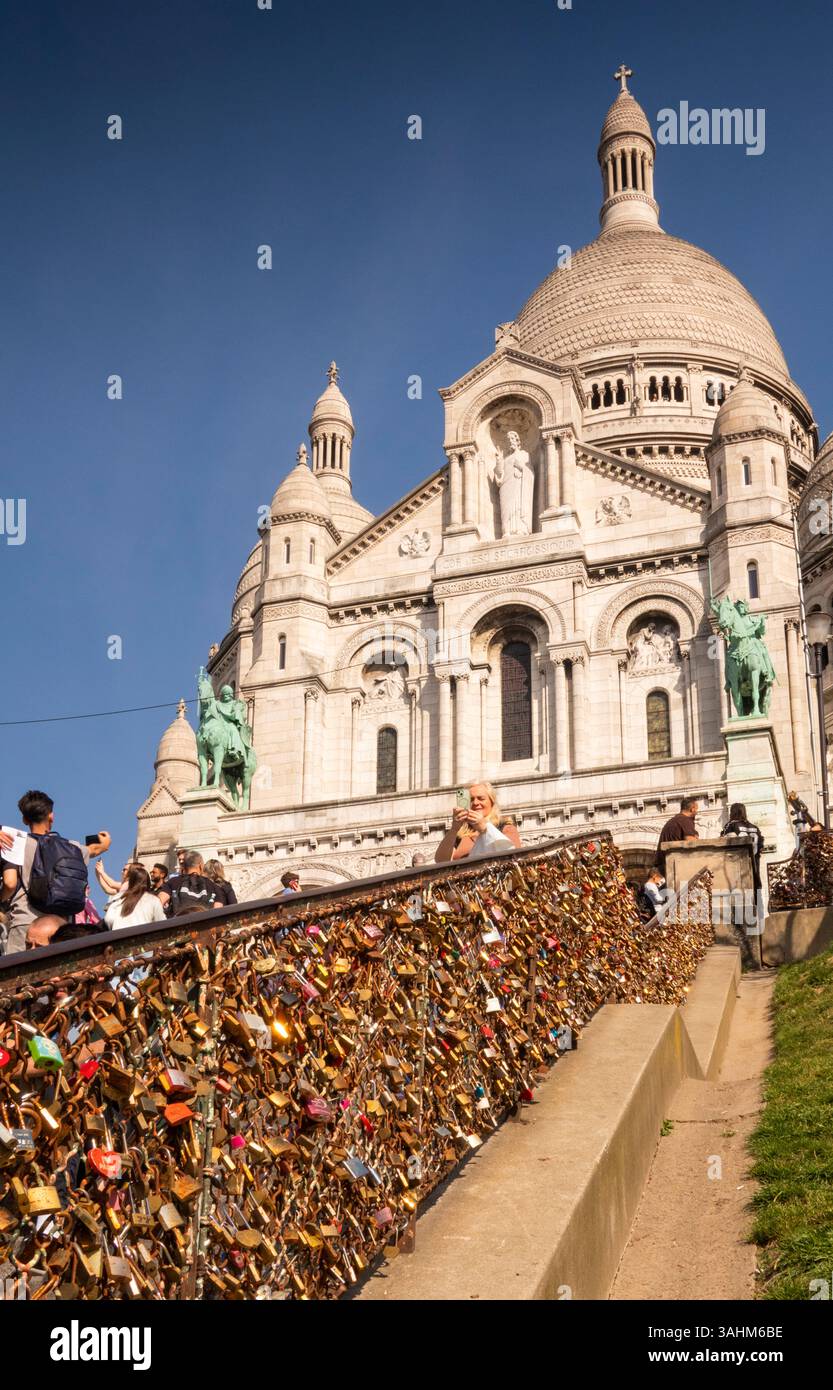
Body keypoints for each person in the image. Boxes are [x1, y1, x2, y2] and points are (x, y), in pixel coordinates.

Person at [0, 791, 110, 955]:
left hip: (26, 923)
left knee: (17, 977)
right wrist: (105, 842)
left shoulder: (16, 843)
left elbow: (10, 883)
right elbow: (96, 849)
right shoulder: (72, 847)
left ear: (24, 819)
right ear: (51, 816)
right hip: (61, 926)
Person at [434, 782, 521, 862]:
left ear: (492, 802)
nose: (475, 803)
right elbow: (441, 861)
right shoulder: (461, 834)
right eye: (471, 799)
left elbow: (514, 855)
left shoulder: (505, 827)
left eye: (481, 798)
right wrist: (454, 829)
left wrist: (484, 828)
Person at [158, 852, 223, 916]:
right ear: (201, 865)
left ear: (184, 866)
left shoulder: (173, 882)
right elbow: (218, 912)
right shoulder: (213, 886)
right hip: (205, 924)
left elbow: (157, 903)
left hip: (179, 924)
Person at [105, 864, 167, 930]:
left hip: (118, 936)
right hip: (142, 937)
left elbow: (109, 919)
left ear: (130, 882)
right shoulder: (153, 900)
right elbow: (162, 922)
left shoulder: (119, 897)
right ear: (147, 883)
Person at [721, 802, 764, 893]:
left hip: (737, 866)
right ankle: (759, 906)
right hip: (754, 866)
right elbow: (761, 847)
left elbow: (723, 842)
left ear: (732, 813)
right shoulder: (755, 828)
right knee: (756, 890)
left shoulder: (731, 825)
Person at [656, 795, 699, 873]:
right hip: (677, 867)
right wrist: (695, 837)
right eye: (696, 809)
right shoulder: (685, 820)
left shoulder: (672, 821)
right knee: (685, 885)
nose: (697, 812)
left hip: (665, 866)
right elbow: (692, 843)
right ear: (692, 809)